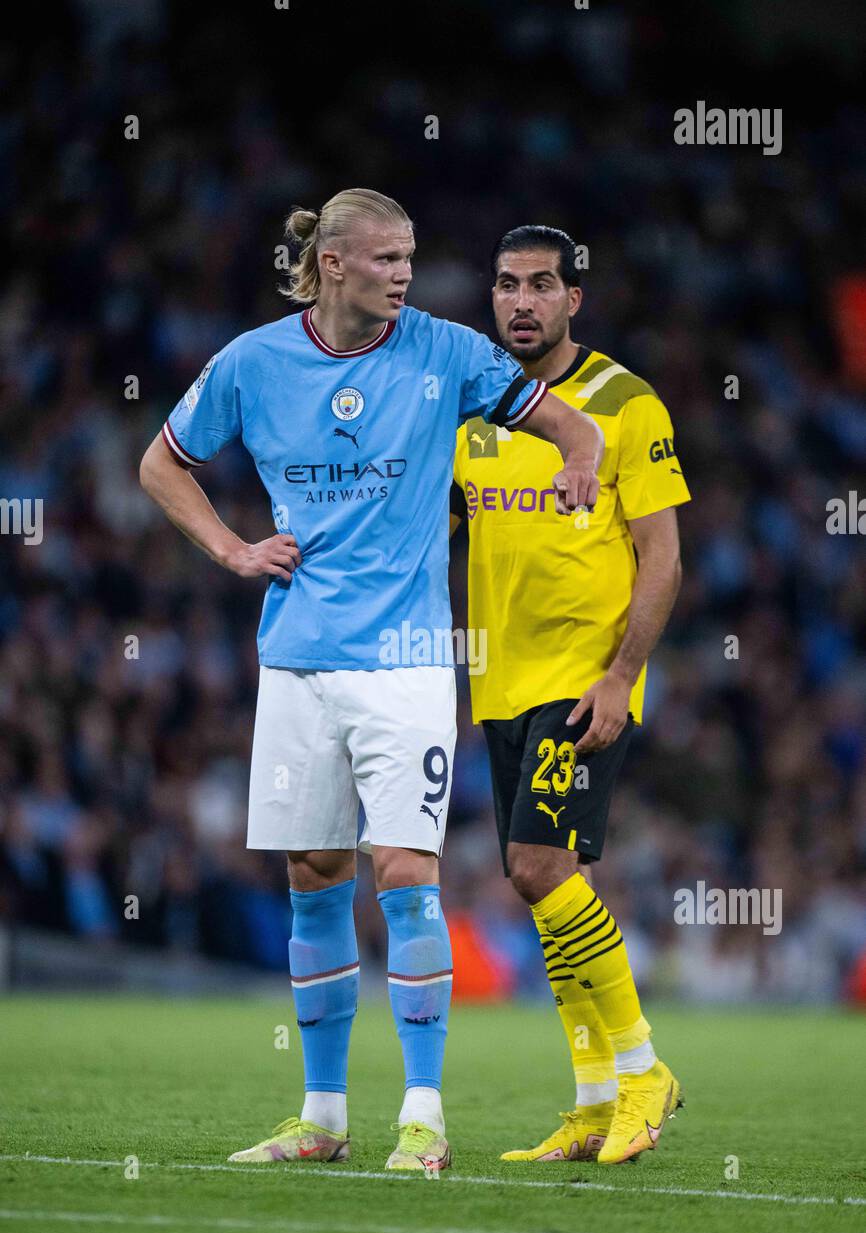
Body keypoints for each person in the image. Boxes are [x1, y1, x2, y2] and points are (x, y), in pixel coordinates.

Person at [140, 191, 603, 1173]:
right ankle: (321, 1116)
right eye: (387, 258)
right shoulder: (252, 363)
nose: (404, 274)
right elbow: (161, 464)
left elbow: (571, 425)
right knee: (312, 876)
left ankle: (424, 1117)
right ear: (333, 264)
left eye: (409, 257)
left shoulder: (445, 353)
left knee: (403, 874)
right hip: (299, 657)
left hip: (405, 661)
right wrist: (230, 548)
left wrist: (579, 454)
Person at [450, 224, 690, 1164]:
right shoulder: (477, 409)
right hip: (500, 683)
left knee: (541, 868)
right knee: (538, 876)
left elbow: (663, 554)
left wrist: (623, 675)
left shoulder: (627, 402)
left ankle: (642, 1072)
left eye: (541, 285)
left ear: (573, 300)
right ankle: (592, 1101)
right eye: (507, 284)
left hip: (584, 679)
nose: (521, 301)